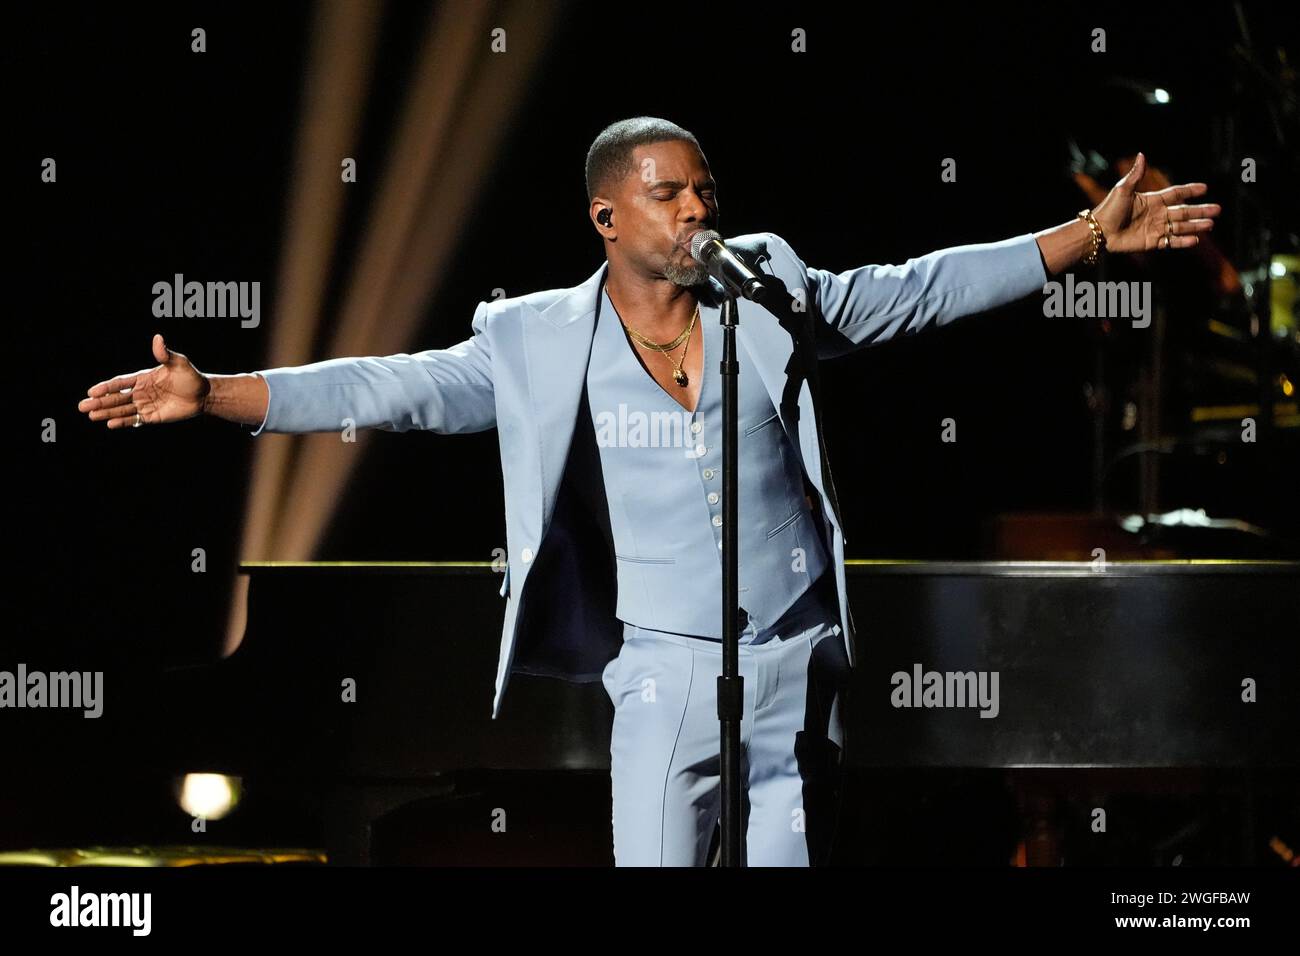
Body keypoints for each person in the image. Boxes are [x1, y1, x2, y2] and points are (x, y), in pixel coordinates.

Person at [78, 117, 1219, 866]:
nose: (696, 214)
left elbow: (911, 291)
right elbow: (398, 388)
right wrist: (219, 390)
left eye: (704, 192)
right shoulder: (535, 338)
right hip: (664, 667)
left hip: (792, 653)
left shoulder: (762, 285)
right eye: (669, 195)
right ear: (606, 217)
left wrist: (1084, 237)